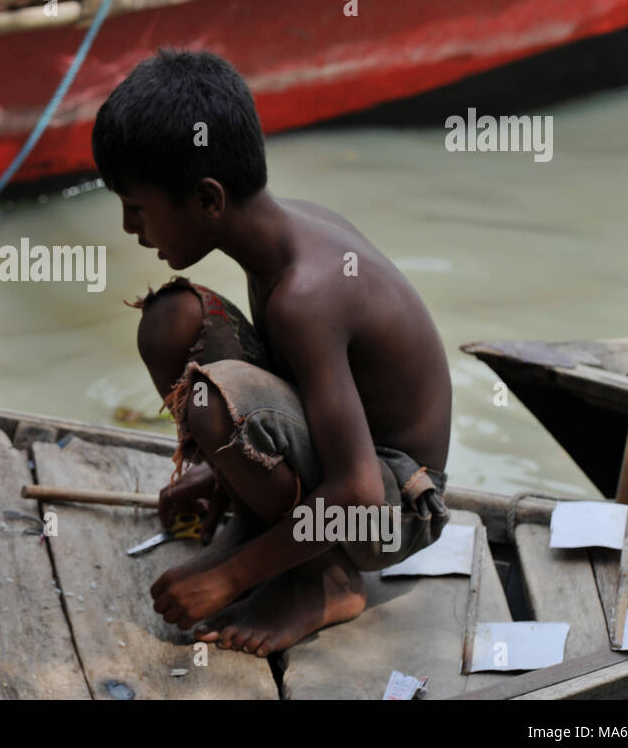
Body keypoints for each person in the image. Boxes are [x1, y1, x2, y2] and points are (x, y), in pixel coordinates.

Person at [91, 48, 451, 658]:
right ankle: (267, 534)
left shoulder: (305, 295)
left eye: (138, 209)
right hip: (353, 472)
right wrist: (219, 473)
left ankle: (323, 583)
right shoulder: (286, 233)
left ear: (208, 200)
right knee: (168, 322)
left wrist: (229, 576)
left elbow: (361, 494)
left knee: (212, 401)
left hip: (394, 508)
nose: (131, 229)